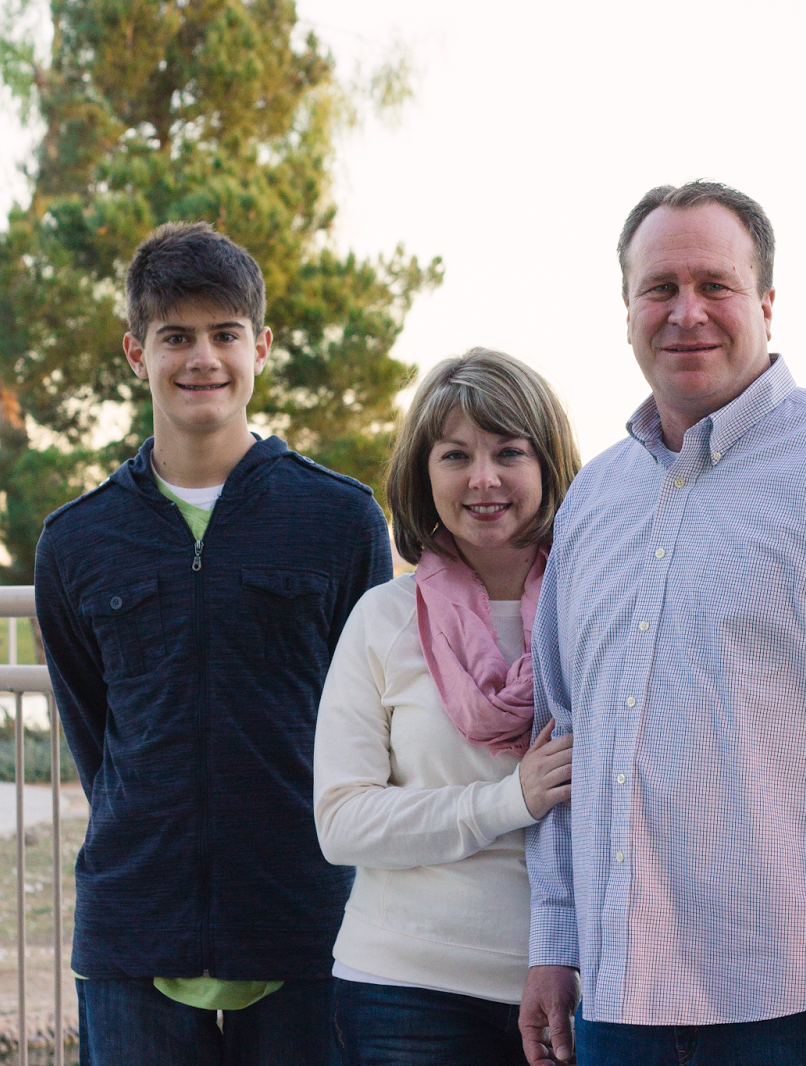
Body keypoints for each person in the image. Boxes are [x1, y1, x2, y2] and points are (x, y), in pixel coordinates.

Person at [519, 182, 806, 1066]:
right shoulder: (591, 500)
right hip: (623, 1002)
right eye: (659, 288)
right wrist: (555, 939)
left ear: (766, 304)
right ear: (626, 311)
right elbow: (564, 733)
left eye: (715, 285)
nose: (686, 312)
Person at [34, 221, 392, 1066]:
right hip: (136, 926)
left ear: (261, 348)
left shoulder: (341, 521)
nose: (203, 358)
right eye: (176, 337)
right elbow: (97, 736)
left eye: (225, 334)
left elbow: (372, 722)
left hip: (308, 921)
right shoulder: (76, 541)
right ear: (135, 353)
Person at [313, 348, 580, 1065]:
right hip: (404, 992)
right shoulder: (382, 620)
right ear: (422, 476)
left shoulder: (598, 612)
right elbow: (341, 823)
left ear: (549, 465)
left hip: (584, 988)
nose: (483, 478)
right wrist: (506, 801)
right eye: (455, 455)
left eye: (509, 452)